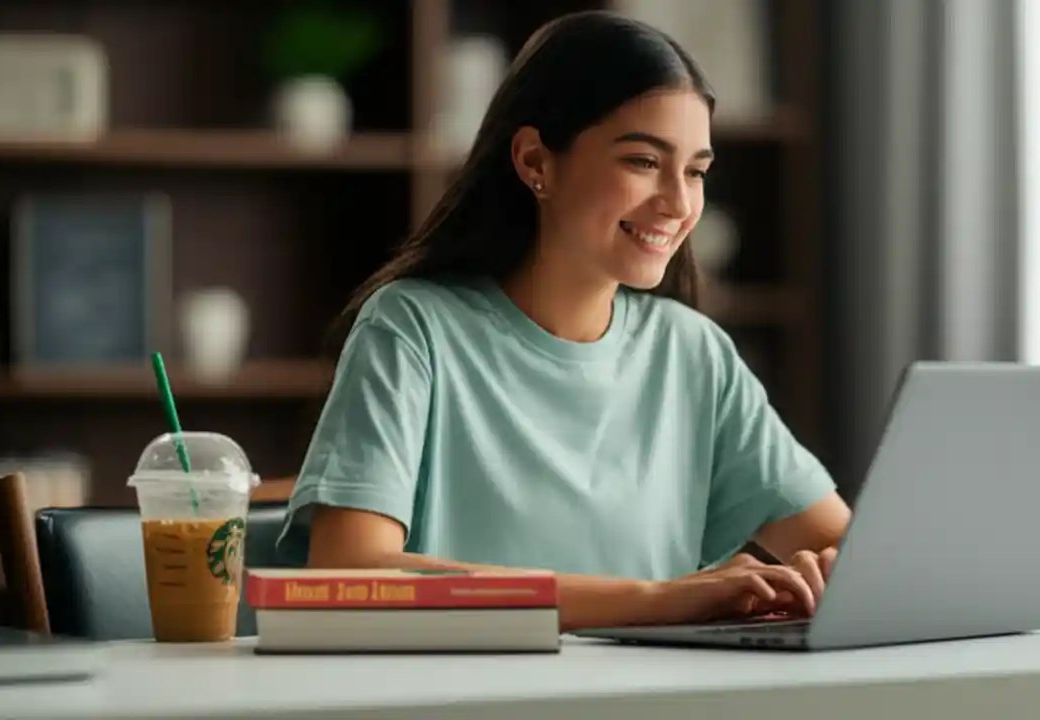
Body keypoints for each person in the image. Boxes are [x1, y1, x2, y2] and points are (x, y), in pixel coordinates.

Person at [275, 10, 851, 631]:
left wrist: (819, 579)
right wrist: (660, 599)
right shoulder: (413, 329)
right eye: (643, 162)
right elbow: (350, 572)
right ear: (535, 162)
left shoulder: (692, 352)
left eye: (695, 171)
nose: (680, 204)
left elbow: (848, 548)